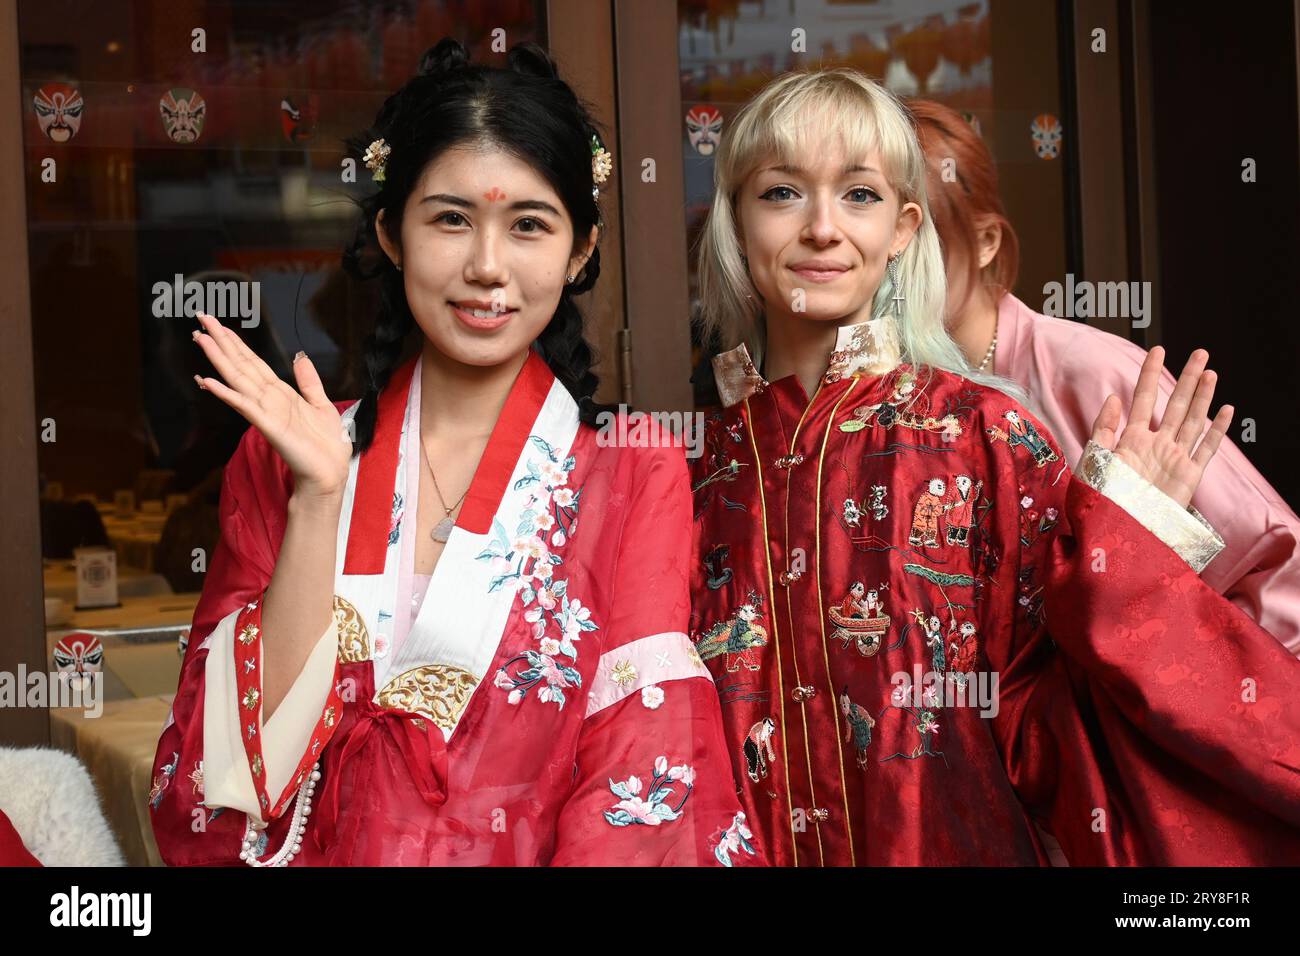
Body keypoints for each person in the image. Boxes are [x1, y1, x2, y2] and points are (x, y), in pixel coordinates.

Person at [150, 39, 755, 867]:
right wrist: (319, 496)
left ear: (578, 252)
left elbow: (641, 765)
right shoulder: (285, 455)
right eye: (450, 219)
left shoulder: (634, 467)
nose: (486, 267)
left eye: (529, 226)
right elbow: (228, 775)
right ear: (392, 235)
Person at [690, 67, 1300, 866]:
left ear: (905, 228)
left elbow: (1062, 710)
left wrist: (1130, 550)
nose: (823, 229)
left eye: (861, 195)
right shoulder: (687, 469)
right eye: (781, 193)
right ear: (734, 220)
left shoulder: (983, 436)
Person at [911, 97, 1300, 656]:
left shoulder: (1087, 370)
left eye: (923, 245)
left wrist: (1192, 703)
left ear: (986, 243)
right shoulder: (886, 396)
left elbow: (1275, 567)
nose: (897, 271)